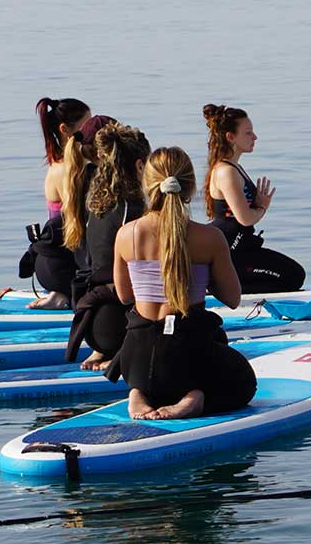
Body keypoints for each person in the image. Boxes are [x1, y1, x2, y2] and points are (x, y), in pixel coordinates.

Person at [109, 147, 257, 419]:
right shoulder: (209, 237)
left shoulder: (125, 234)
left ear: (147, 185)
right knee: (244, 382)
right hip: (187, 358)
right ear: (191, 188)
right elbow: (233, 298)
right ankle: (194, 397)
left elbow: (124, 296)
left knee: (149, 352)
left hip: (136, 357)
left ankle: (138, 393)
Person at [65, 119, 152, 370]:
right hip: (115, 325)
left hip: (91, 324)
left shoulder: (98, 204)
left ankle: (100, 351)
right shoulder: (132, 209)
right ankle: (120, 352)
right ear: (138, 165)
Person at [203, 104, 305, 292]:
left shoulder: (234, 168)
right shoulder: (226, 172)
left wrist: (257, 204)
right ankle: (221, 286)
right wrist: (262, 207)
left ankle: (224, 284)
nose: (255, 137)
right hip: (231, 253)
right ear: (231, 137)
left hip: (243, 248)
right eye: (248, 133)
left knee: (295, 274)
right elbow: (245, 218)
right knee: (293, 277)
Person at [23, 97, 90, 308]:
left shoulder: (65, 166)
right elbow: (77, 228)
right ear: (65, 129)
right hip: (60, 267)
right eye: (85, 126)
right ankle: (61, 294)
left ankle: (59, 294)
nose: (91, 133)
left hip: (52, 263)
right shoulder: (65, 171)